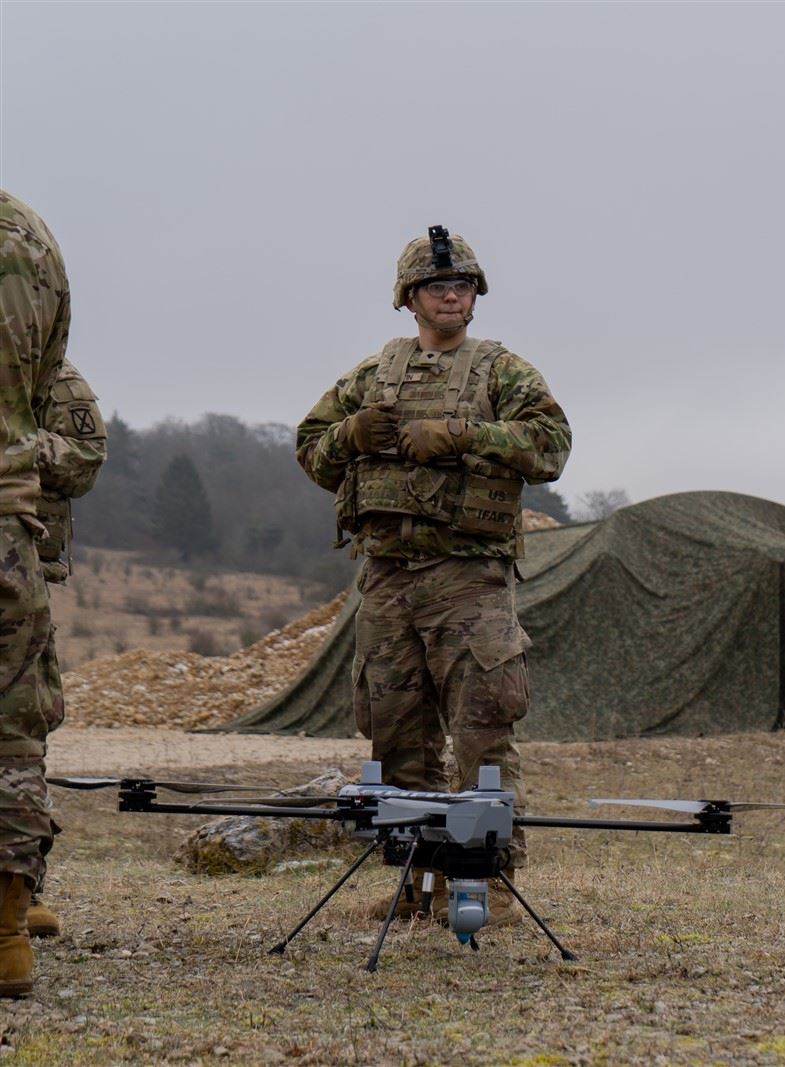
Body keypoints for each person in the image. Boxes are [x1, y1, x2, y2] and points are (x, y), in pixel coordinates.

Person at [295, 226, 570, 922]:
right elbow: (311, 449)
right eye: (438, 286)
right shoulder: (370, 377)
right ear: (408, 297)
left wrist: (466, 435)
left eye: (464, 285)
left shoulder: (502, 372)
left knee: (482, 730)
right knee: (396, 735)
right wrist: (350, 435)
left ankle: (486, 879)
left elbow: (551, 443)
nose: (453, 295)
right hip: (387, 578)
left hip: (468, 578)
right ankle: (415, 879)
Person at [0, 189, 71, 998]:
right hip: (7, 528)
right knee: (12, 737)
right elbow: (46, 374)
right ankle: (7, 930)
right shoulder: (33, 237)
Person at [23, 359, 107, 941]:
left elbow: (84, 461)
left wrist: (16, 448)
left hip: (20, 578)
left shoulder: (53, 377)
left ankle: (18, 890)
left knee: (19, 735)